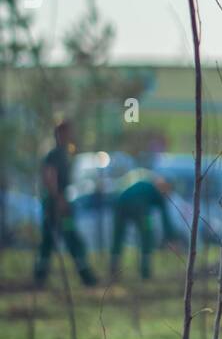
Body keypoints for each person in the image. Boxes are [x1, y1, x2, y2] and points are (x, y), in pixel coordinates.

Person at [34, 119, 97, 287]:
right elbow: (49, 176)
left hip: (59, 201)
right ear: (60, 134)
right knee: (62, 237)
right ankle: (85, 276)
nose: (71, 135)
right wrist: (59, 199)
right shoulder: (55, 154)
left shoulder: (64, 154)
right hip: (55, 204)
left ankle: (41, 277)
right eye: (68, 132)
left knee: (62, 237)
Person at [110, 172, 179, 281]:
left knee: (118, 236)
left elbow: (165, 218)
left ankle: (113, 268)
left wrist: (170, 236)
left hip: (121, 205)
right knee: (147, 235)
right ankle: (145, 271)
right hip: (138, 209)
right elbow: (165, 218)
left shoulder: (147, 186)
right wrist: (171, 237)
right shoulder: (155, 191)